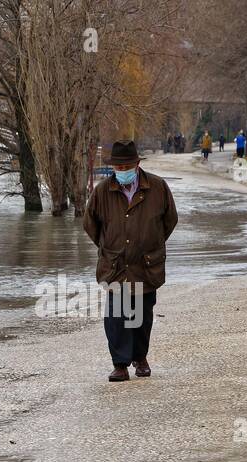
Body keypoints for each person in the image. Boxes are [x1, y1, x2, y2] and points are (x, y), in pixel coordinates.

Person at [82, 140, 178, 382]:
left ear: (137, 164)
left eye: (127, 166)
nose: (123, 171)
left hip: (147, 265)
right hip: (115, 266)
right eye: (119, 167)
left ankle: (140, 357)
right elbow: (90, 224)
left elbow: (170, 220)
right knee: (116, 317)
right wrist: (108, 248)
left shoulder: (157, 187)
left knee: (142, 315)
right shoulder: (102, 191)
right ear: (113, 167)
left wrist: (152, 243)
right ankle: (121, 364)